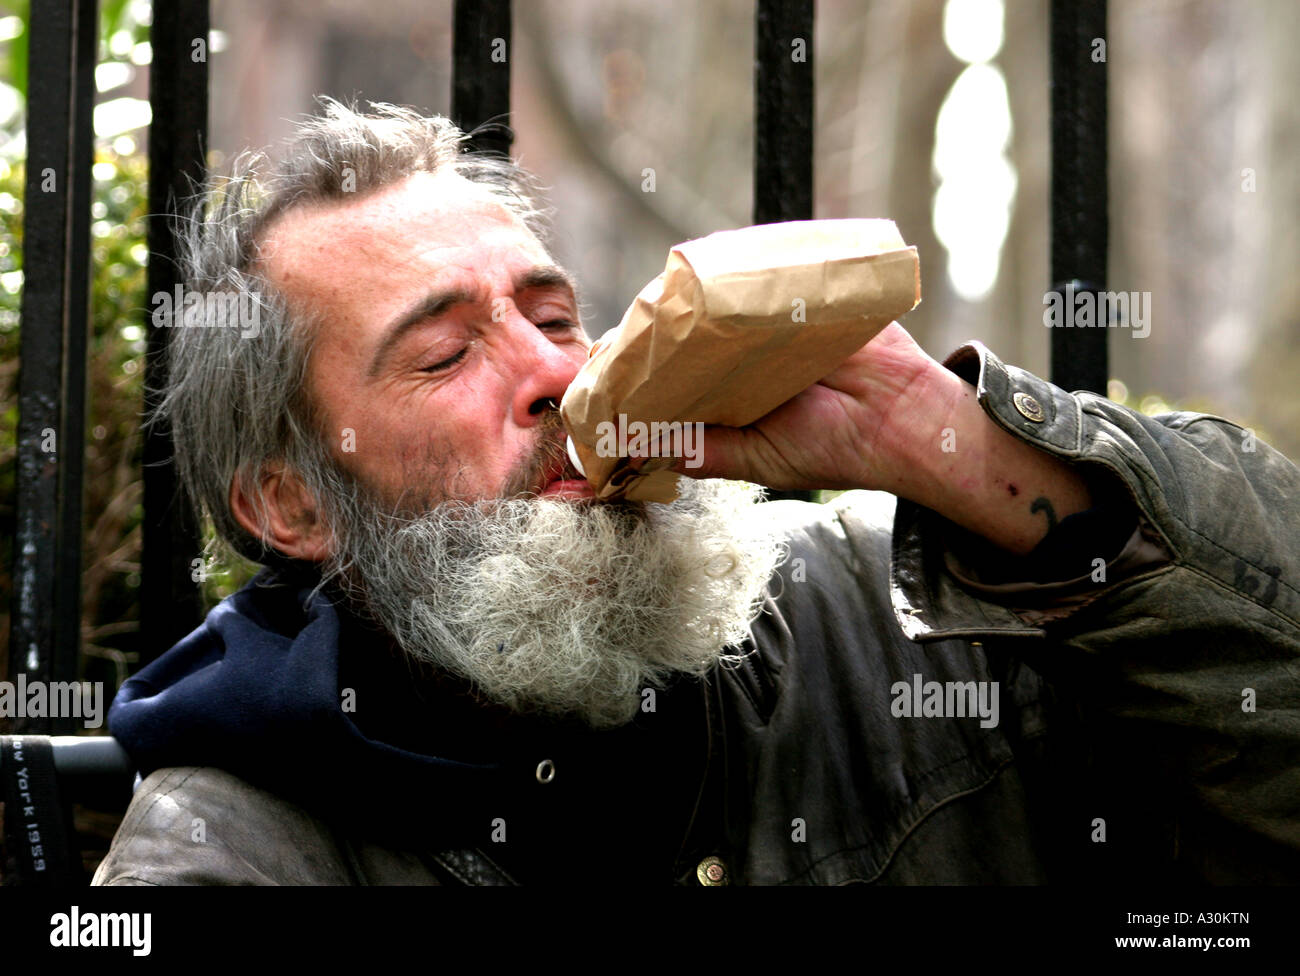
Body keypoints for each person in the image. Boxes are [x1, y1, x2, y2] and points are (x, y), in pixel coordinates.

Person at [92, 100, 1300, 885]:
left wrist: (954, 449)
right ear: (291, 505)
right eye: (446, 354)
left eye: (557, 316)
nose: (559, 375)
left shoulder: (891, 621)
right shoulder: (231, 849)